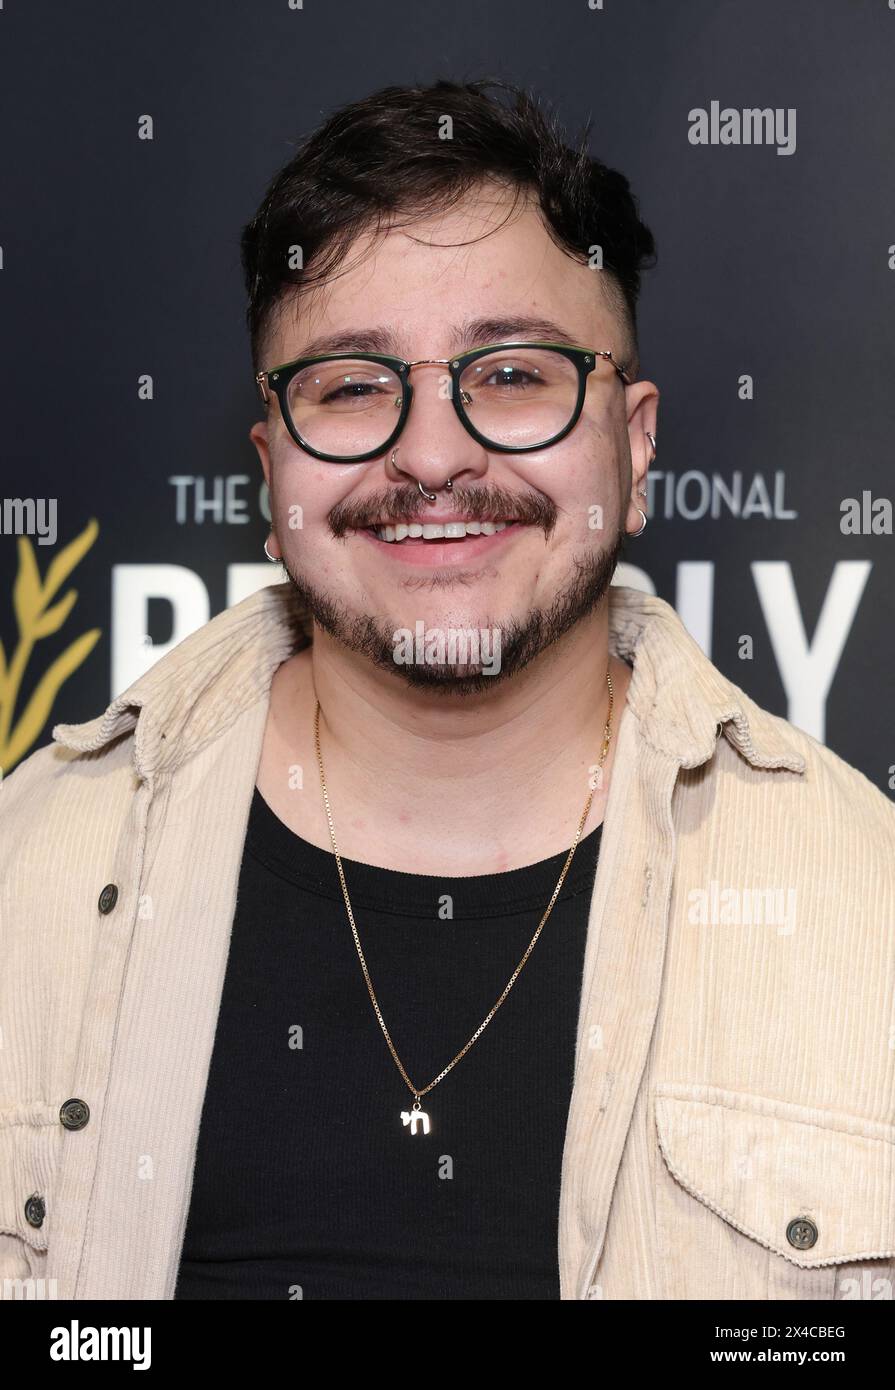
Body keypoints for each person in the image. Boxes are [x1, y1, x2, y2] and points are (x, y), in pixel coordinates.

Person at [2, 78, 893, 1303]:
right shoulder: (28, 874)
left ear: (634, 449)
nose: (430, 455)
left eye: (514, 373)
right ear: (270, 474)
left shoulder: (863, 909)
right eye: (352, 385)